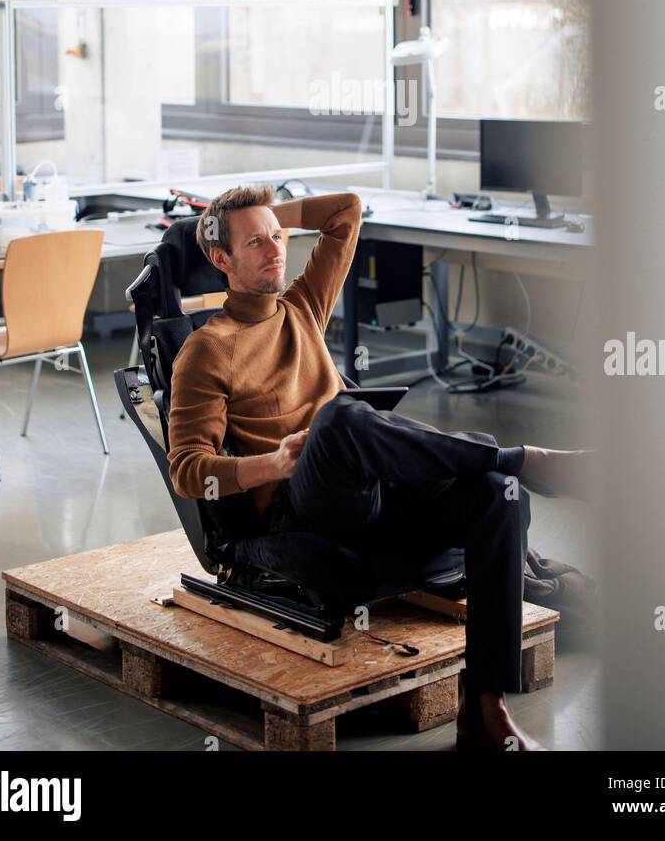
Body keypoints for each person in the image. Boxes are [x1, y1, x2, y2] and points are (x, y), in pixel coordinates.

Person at [168, 184, 589, 752]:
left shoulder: (301, 308)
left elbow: (346, 211)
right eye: (255, 243)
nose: (274, 249)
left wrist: (261, 215)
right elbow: (188, 470)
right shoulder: (205, 350)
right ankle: (525, 456)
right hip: (301, 511)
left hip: (370, 492)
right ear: (220, 260)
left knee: (497, 489)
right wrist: (270, 463)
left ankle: (484, 713)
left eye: (278, 237)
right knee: (342, 416)